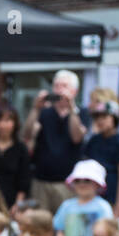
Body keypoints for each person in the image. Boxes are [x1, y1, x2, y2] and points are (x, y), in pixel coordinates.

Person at [23, 70, 89, 215]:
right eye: (56, 86)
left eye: (64, 86)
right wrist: (35, 108)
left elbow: (77, 137)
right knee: (40, 224)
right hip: (41, 180)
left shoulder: (81, 112)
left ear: (74, 91)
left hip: (67, 183)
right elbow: (26, 134)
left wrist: (71, 109)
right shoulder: (44, 112)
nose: (59, 90)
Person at [80, 100, 119, 216]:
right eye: (97, 117)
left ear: (115, 118)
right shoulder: (93, 140)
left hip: (111, 192)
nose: (100, 121)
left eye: (105, 117)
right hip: (92, 191)